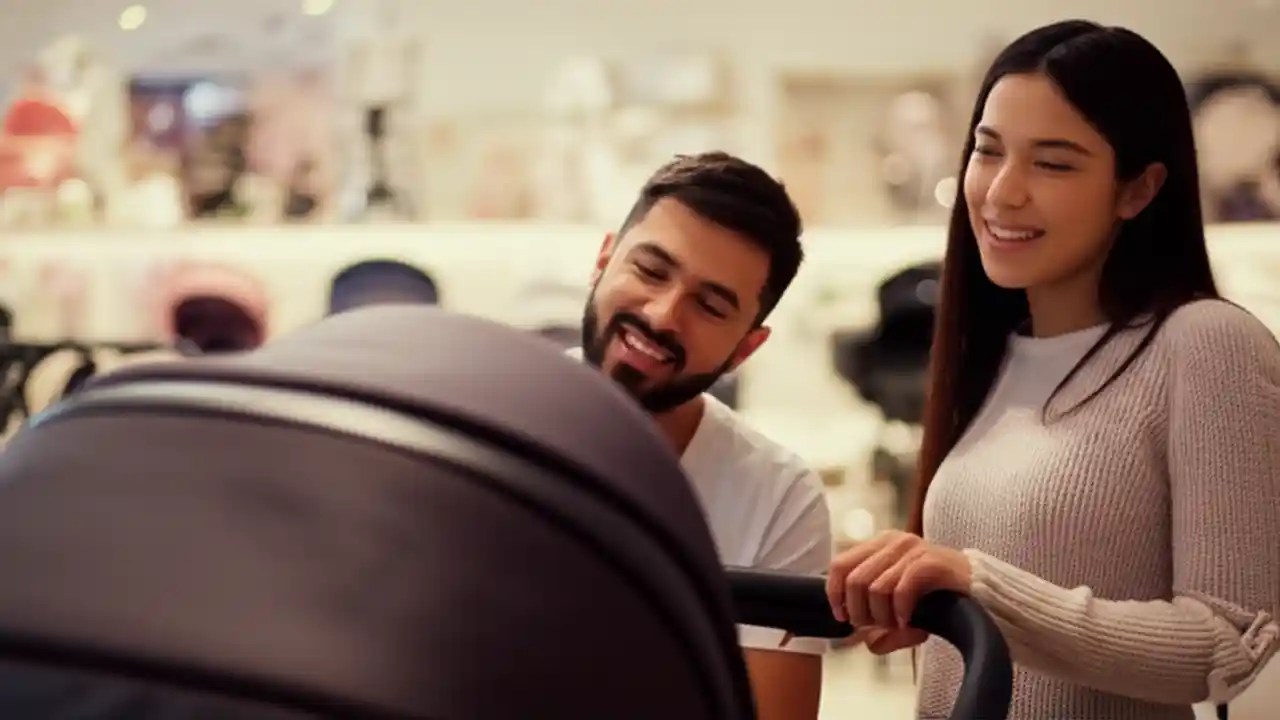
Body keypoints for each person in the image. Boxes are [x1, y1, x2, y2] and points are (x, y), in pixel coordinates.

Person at [823, 20, 1279, 720]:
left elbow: (1227, 647)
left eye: (1054, 163)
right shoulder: (995, 356)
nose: (1003, 192)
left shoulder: (1206, 346)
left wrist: (982, 589)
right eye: (988, 151)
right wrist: (926, 600)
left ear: (1138, 189)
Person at [571, 151, 832, 719]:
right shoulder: (487, 419)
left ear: (746, 348)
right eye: (651, 271)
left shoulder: (778, 497)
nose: (664, 315)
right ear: (603, 259)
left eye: (710, 306)